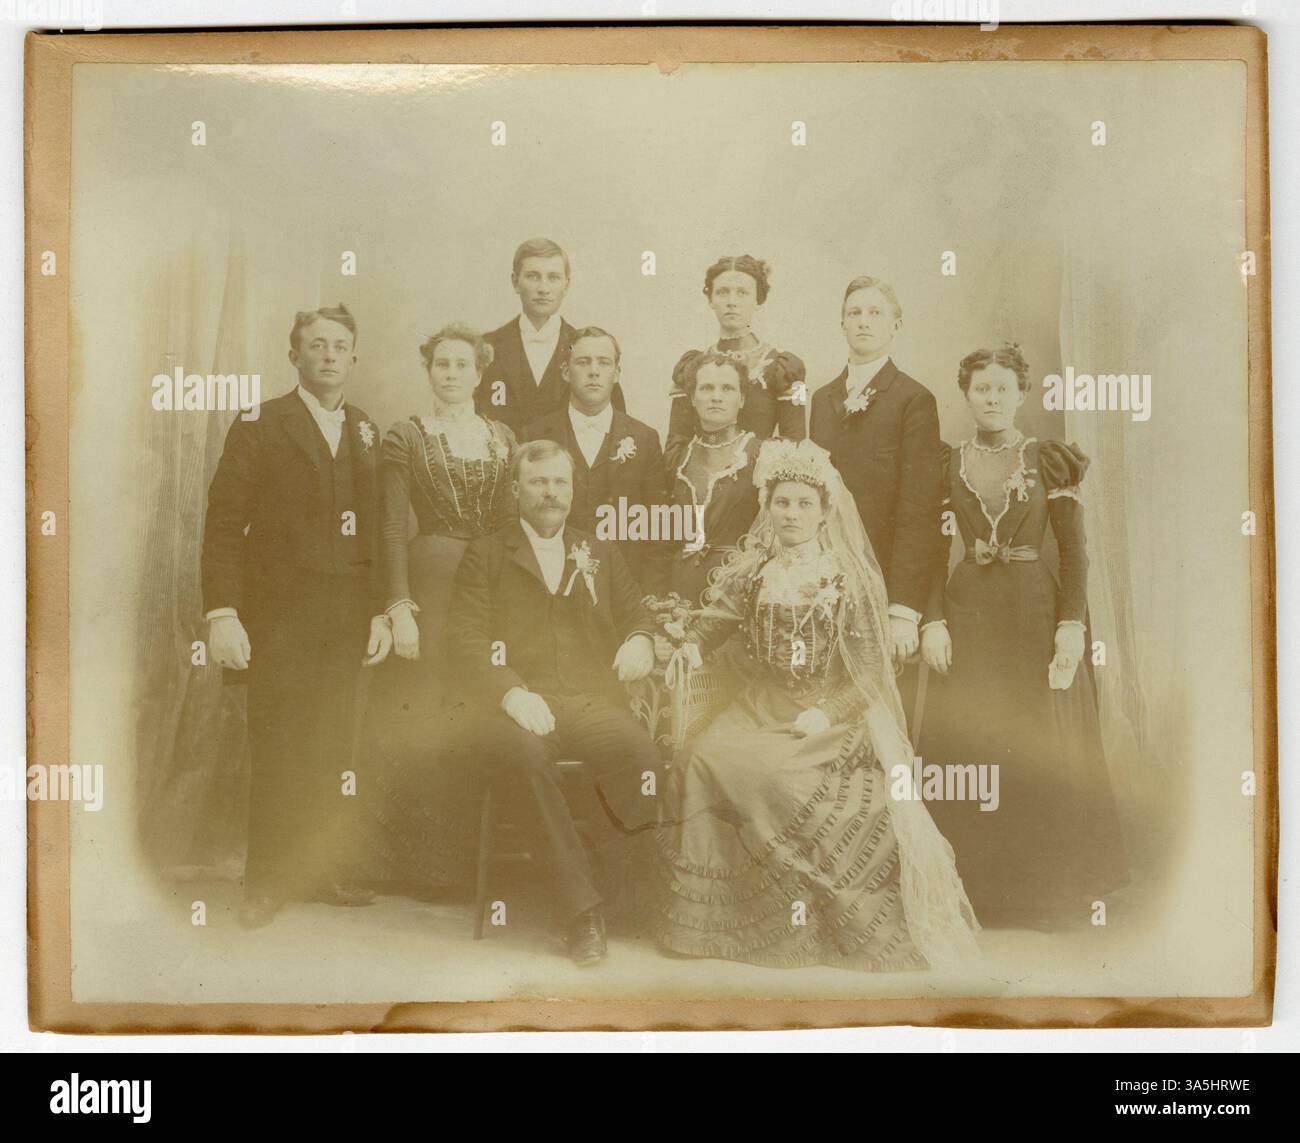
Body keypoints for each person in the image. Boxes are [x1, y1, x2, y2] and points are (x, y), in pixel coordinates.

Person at [654, 439, 980, 970]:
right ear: (768, 507)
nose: (792, 514)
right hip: (763, 702)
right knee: (698, 760)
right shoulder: (755, 568)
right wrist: (691, 643)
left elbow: (872, 672)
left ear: (825, 511)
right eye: (782, 502)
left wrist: (828, 712)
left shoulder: (844, 577)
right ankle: (713, 924)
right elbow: (720, 619)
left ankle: (800, 921)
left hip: (832, 710)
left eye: (804, 504)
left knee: (774, 776)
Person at [916, 343, 1128, 928]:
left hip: (1034, 613)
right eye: (981, 389)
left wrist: (1070, 627)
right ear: (967, 394)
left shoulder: (1047, 460)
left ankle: (1048, 897)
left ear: (1021, 394)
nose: (991, 399)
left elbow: (1076, 551)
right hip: (969, 616)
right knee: (976, 750)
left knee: (1037, 747)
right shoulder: (946, 464)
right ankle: (984, 896)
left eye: (1002, 389)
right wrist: (932, 620)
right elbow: (933, 554)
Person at [200, 303, 393, 928]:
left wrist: (381, 613)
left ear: (354, 355)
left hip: (346, 617)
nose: (329, 354)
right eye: (316, 345)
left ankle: (321, 868)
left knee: (336, 745)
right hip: (278, 616)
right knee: (281, 743)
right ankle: (266, 880)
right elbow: (224, 524)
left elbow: (377, 534)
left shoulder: (364, 428)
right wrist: (222, 614)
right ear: (295, 356)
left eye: (340, 344)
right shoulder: (260, 423)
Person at [447, 439, 663, 966]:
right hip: (520, 702)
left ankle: (621, 890)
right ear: (516, 489)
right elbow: (466, 640)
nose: (551, 493)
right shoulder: (486, 552)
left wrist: (642, 640)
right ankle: (581, 913)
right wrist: (510, 691)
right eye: (539, 482)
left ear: (573, 489)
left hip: (589, 700)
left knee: (643, 762)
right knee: (525, 761)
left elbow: (638, 614)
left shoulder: (599, 550)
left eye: (560, 482)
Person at [362, 322, 518, 895]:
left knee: (478, 704)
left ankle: (475, 864)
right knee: (422, 711)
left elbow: (509, 523)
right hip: (429, 583)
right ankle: (414, 867)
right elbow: (390, 526)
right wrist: (400, 606)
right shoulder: (406, 436)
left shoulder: (503, 437)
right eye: (441, 364)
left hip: (491, 585)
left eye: (462, 365)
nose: (451, 374)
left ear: (480, 374)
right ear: (429, 371)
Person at [809, 276, 941, 679]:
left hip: (883, 580)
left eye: (875, 313)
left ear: (895, 325)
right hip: (826, 579)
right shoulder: (822, 400)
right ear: (842, 324)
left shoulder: (913, 400)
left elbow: (919, 510)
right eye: (854, 313)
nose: (863, 321)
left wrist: (903, 608)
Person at [523, 326, 666, 593]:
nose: (594, 371)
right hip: (553, 584)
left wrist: (648, 596)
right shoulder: (536, 434)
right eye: (583, 362)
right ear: (566, 372)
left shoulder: (644, 438)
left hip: (624, 587)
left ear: (617, 373)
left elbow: (657, 530)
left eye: (604, 362)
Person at [475, 237, 625, 436]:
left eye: (553, 277)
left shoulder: (588, 349)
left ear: (566, 285)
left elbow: (615, 424)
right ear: (515, 282)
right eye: (533, 276)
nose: (543, 289)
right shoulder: (487, 346)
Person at [667, 254, 806, 445]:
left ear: (758, 300)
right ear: (711, 300)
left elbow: (796, 442)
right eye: (723, 292)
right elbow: (677, 441)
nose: (731, 301)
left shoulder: (789, 369)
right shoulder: (690, 367)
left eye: (742, 292)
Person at [660, 351, 762, 607]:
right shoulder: (679, 458)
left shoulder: (759, 453)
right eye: (706, 388)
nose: (716, 397)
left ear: (742, 399)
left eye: (727, 388)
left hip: (737, 592)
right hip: (680, 590)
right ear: (693, 398)